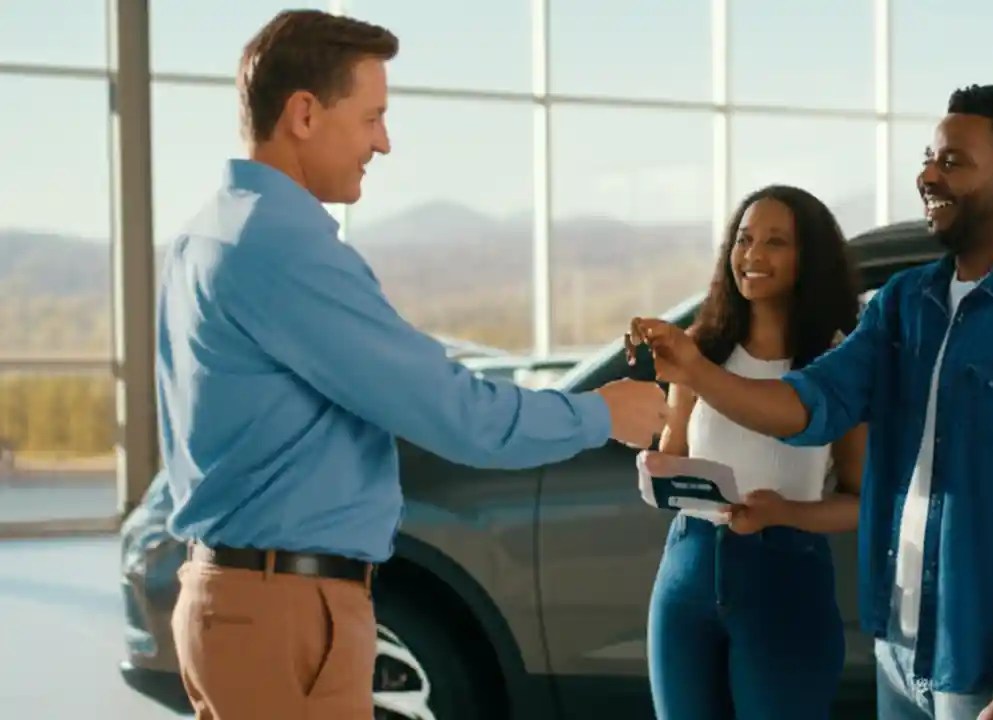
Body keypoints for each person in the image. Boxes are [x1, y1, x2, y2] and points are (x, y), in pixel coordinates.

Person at [156, 10, 667, 720]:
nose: (383, 142)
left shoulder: (210, 235)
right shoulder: (282, 248)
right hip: (285, 616)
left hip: (245, 603)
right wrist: (603, 413)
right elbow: (455, 413)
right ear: (304, 114)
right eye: (371, 117)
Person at [629, 84, 993, 720]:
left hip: (986, 664)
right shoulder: (903, 304)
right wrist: (696, 369)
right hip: (899, 651)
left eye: (953, 162)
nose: (928, 176)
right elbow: (811, 403)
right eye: (928, 158)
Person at [639, 186, 868, 719]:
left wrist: (784, 513)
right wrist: (656, 469)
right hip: (686, 573)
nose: (753, 255)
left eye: (775, 242)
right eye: (744, 240)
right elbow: (673, 454)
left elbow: (860, 502)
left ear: (809, 257)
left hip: (784, 581)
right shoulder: (700, 350)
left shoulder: (837, 365)